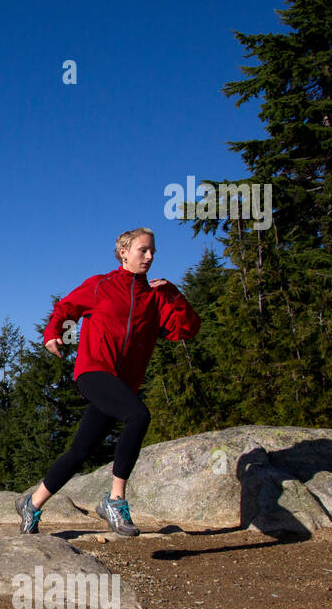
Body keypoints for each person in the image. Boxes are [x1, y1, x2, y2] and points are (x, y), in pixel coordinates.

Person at [15, 227, 201, 536]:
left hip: (122, 385)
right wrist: (52, 334)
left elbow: (187, 329)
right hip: (93, 371)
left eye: (153, 251)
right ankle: (115, 500)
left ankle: (31, 505)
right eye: (143, 250)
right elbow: (66, 308)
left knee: (79, 452)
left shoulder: (156, 297)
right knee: (139, 415)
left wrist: (173, 294)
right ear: (124, 252)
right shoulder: (101, 285)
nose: (150, 256)